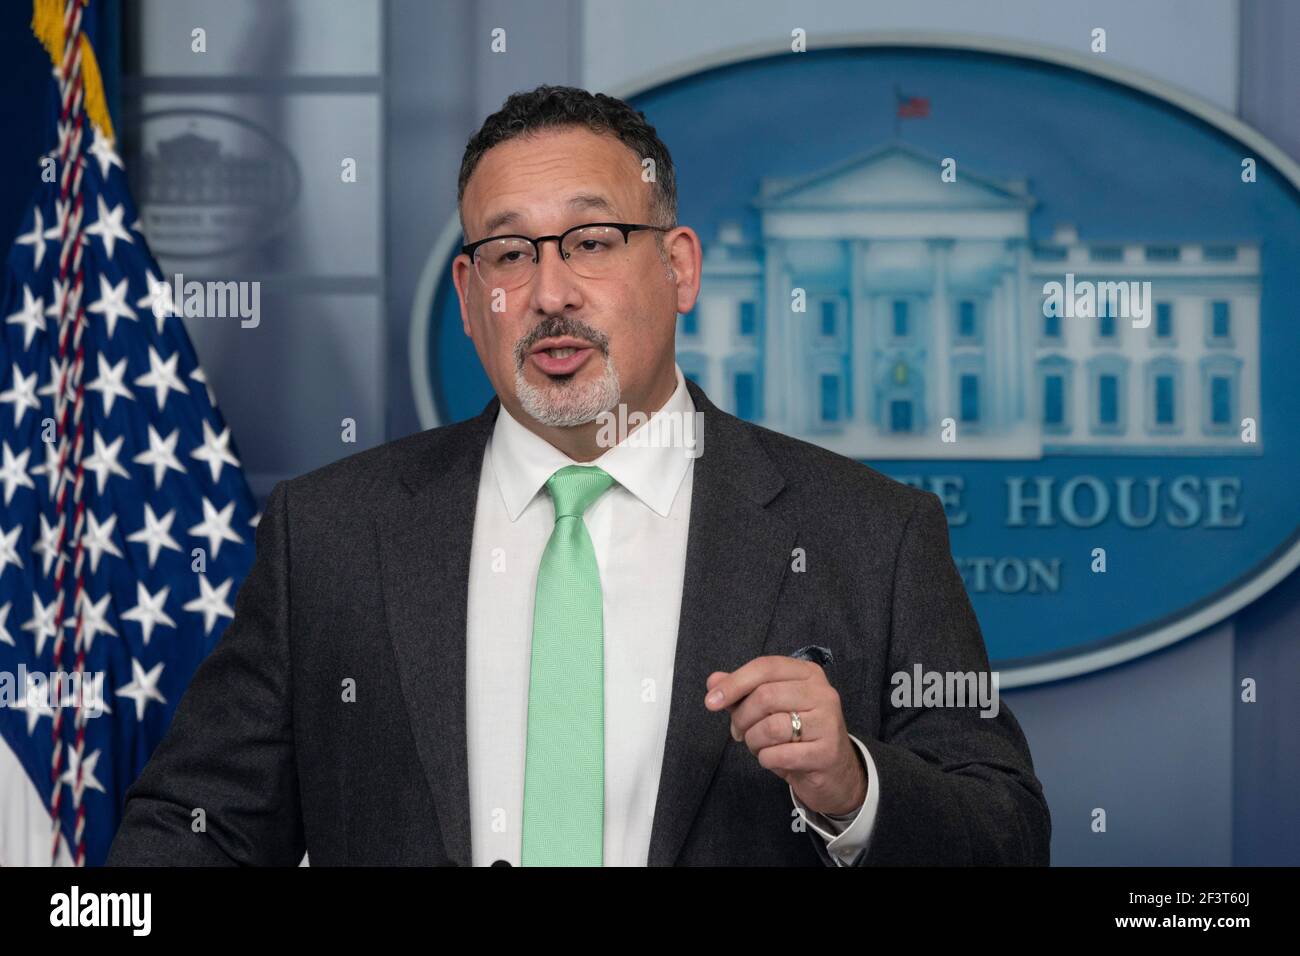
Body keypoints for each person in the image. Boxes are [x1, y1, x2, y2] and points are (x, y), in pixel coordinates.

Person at [107, 84, 1050, 867]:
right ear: (474, 300)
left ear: (678, 269)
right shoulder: (331, 534)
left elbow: (1006, 837)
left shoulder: (872, 535)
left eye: (593, 242)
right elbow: (196, 833)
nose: (551, 292)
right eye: (509, 253)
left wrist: (851, 787)